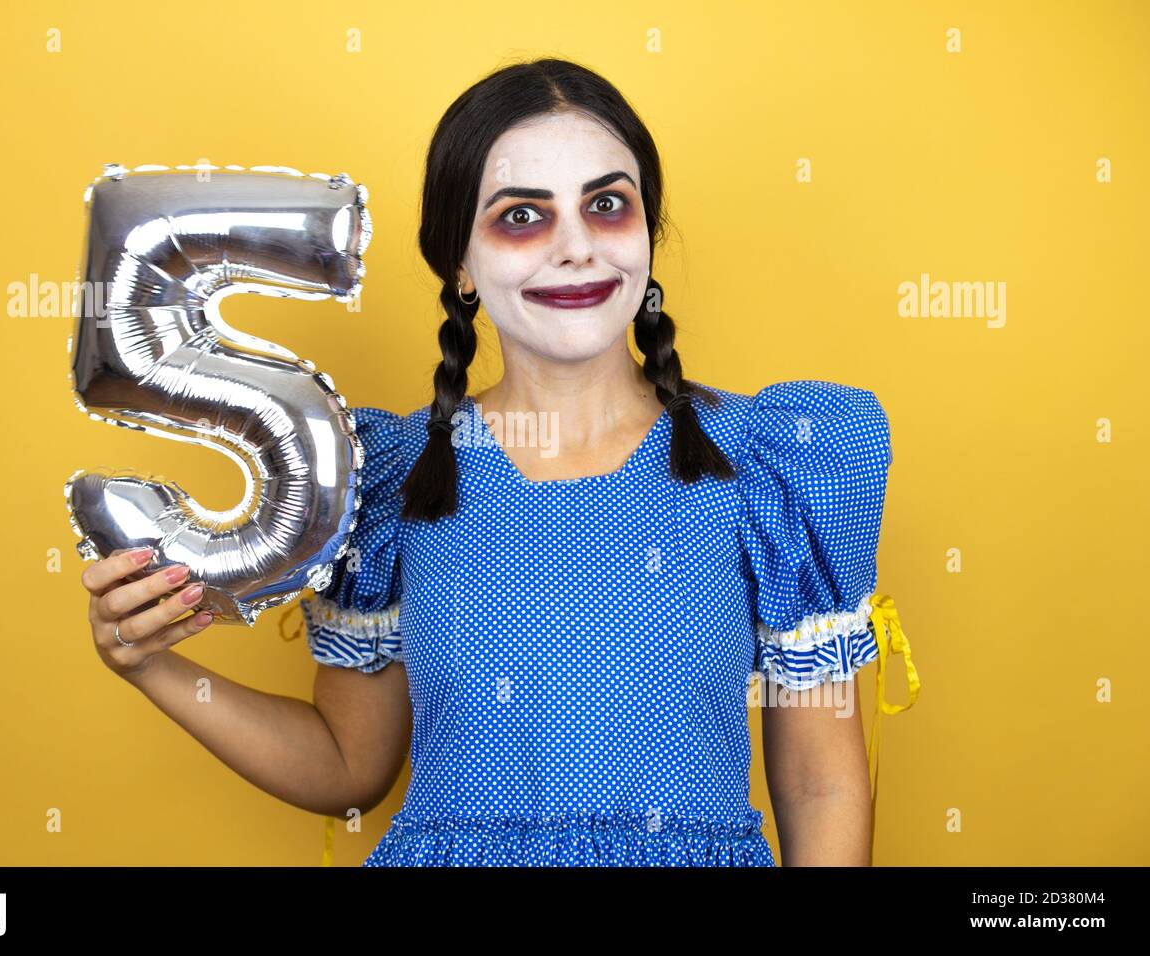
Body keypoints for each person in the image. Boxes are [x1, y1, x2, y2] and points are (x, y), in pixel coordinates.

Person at [82, 56, 917, 867]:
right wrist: (150, 664)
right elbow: (347, 768)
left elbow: (820, 789)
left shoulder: (769, 464)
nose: (576, 247)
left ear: (649, 235)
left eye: (608, 206)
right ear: (459, 264)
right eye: (522, 216)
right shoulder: (390, 482)